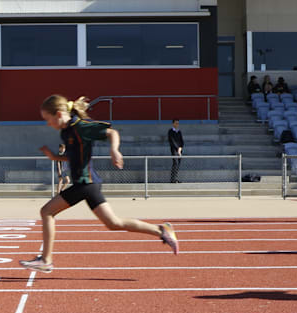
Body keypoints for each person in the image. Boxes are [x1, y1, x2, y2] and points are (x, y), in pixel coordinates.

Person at [19, 95, 179, 273]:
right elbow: (74, 156)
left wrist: (114, 150)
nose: (47, 124)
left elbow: (112, 133)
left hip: (86, 184)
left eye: (48, 120)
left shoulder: (80, 126)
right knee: (113, 223)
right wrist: (54, 157)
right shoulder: (66, 131)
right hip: (86, 185)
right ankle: (161, 230)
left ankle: (46, 260)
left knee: (46, 211)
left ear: (58, 114)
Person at [168, 119, 184, 183]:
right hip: (174, 150)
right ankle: (173, 179)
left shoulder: (179, 131)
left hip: (179, 150)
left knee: (178, 164)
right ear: (173, 123)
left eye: (178, 123)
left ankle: (176, 178)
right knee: (175, 163)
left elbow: (182, 141)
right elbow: (172, 141)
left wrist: (180, 148)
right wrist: (177, 149)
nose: (177, 124)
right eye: (176, 123)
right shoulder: (171, 131)